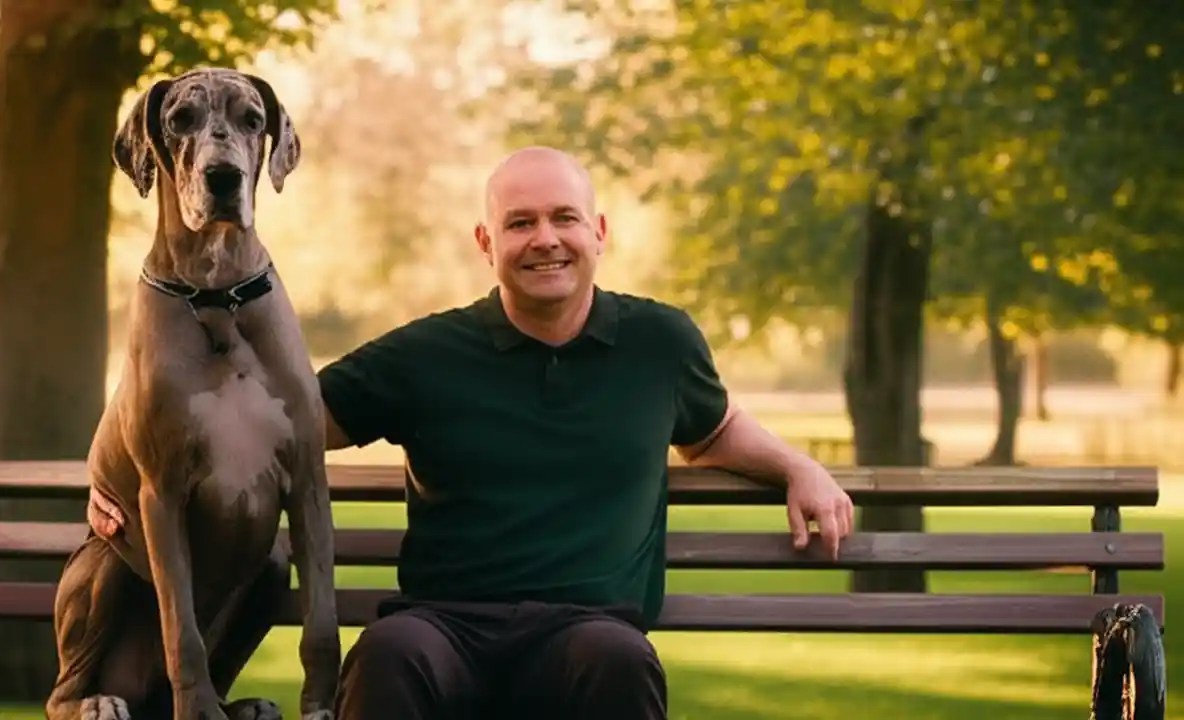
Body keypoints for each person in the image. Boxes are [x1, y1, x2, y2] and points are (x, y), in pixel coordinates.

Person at [87, 145, 854, 719]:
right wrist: (122, 463)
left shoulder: (660, 343)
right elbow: (273, 419)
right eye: (519, 223)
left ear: (599, 232)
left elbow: (714, 430)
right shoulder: (426, 354)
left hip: (588, 630)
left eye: (564, 219)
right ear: (487, 244)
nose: (544, 239)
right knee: (386, 657)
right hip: (443, 630)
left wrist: (800, 470)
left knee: (621, 661)